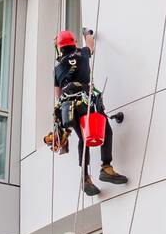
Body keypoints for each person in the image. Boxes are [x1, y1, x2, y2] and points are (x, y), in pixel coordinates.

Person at [53, 28, 128, 197]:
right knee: (105, 130)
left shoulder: (57, 68)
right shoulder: (83, 54)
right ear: (73, 43)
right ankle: (106, 167)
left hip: (68, 108)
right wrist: (87, 33)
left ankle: (85, 177)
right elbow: (90, 45)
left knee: (83, 138)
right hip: (84, 101)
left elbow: (57, 95)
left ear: (60, 48)